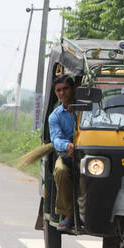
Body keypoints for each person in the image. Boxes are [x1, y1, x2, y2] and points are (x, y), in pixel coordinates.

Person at [48, 74, 78, 230]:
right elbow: (56, 139)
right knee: (60, 170)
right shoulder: (55, 116)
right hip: (67, 154)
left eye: (65, 89)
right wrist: (68, 146)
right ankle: (67, 214)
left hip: (92, 154)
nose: (62, 93)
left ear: (73, 89)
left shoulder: (88, 108)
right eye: (58, 90)